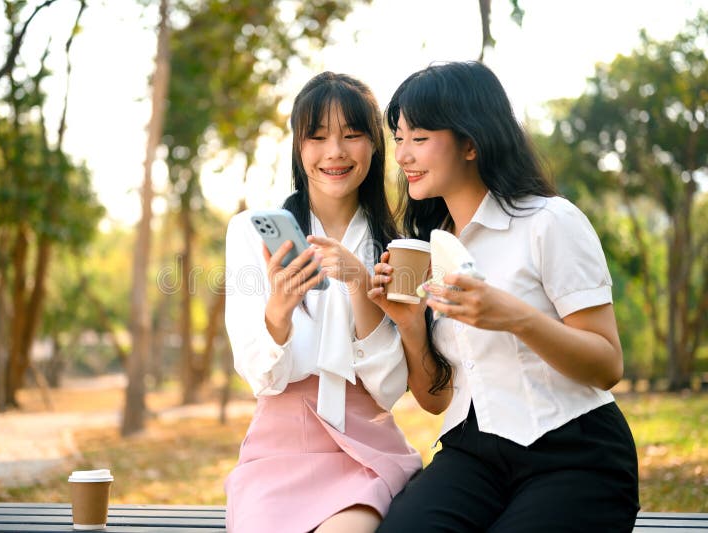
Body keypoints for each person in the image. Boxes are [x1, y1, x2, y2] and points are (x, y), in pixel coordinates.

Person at [368, 62, 640, 532]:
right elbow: (437, 400)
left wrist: (515, 317)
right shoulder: (432, 247)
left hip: (574, 453)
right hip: (473, 455)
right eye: (399, 138)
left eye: (420, 138)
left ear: (471, 143)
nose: (404, 155)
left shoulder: (549, 221)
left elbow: (607, 365)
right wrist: (410, 323)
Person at [224, 72, 422, 533]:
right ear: (298, 146)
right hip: (277, 451)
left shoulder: (399, 249)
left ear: (374, 145)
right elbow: (259, 377)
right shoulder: (251, 232)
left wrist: (358, 282)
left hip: (366, 450)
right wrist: (278, 311)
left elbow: (389, 387)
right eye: (316, 137)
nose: (334, 152)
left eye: (351, 135)